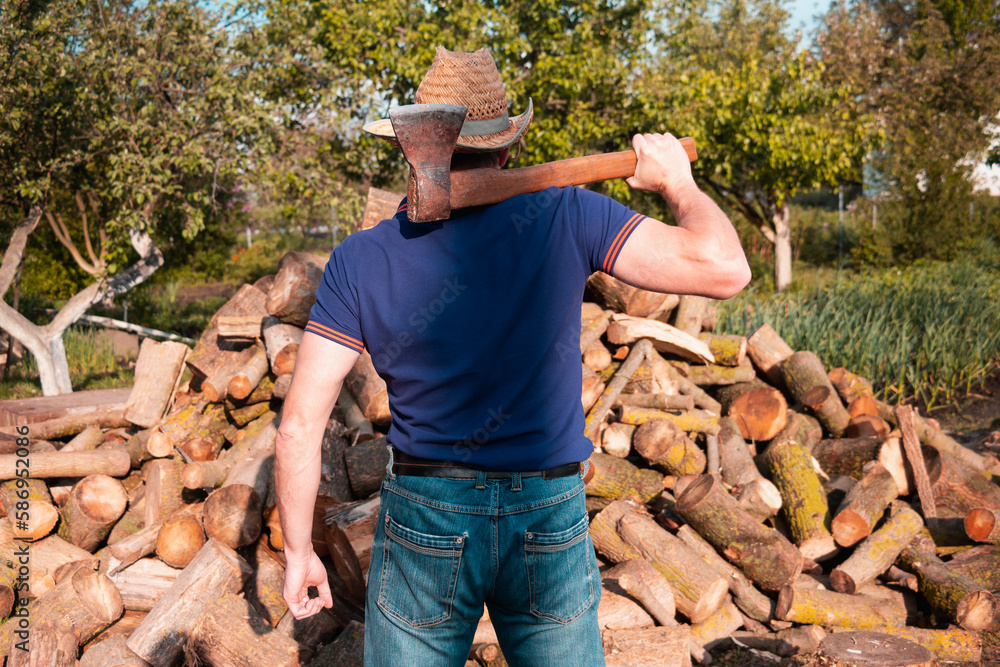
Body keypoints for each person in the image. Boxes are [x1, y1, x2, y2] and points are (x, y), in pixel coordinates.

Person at [274, 46, 750, 666]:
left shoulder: (361, 258)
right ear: (505, 148)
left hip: (427, 511)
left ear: (409, 146)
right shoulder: (568, 216)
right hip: (545, 512)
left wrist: (297, 551)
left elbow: (298, 427)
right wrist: (677, 184)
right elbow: (726, 268)